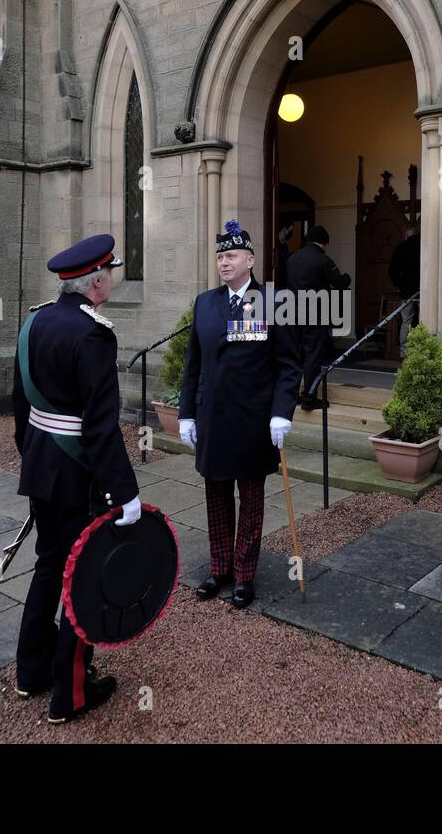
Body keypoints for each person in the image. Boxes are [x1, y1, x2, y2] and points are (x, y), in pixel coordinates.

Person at [12, 234, 143, 724]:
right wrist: (124, 491)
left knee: (48, 567)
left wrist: (34, 457)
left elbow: (20, 404)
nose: (112, 278)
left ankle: (30, 672)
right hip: (79, 477)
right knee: (81, 577)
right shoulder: (94, 334)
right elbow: (100, 426)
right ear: (97, 280)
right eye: (110, 272)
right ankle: (70, 694)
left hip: (43, 468)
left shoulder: (36, 321)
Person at [178, 220, 301, 608]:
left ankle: (245, 575)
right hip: (212, 418)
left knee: (250, 498)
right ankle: (220, 569)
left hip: (253, 420)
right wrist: (186, 415)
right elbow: (192, 366)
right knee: (216, 495)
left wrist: (283, 412)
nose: (223, 263)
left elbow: (288, 366)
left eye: (231, 256)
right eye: (219, 256)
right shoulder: (205, 303)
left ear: (250, 259)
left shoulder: (272, 303)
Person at [285, 224, 350, 409]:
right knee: (313, 355)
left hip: (292, 311)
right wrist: (346, 277)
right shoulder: (322, 260)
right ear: (324, 242)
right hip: (315, 312)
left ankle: (293, 394)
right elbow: (339, 283)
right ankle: (309, 397)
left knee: (296, 355)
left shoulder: (292, 259)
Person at [388, 227, 420, 352]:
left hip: (406, 291)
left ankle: (404, 351)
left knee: (406, 321)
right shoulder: (424, 245)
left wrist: (399, 285)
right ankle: (421, 349)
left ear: (406, 236)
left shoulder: (401, 248)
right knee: (425, 320)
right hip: (424, 290)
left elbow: (392, 271)